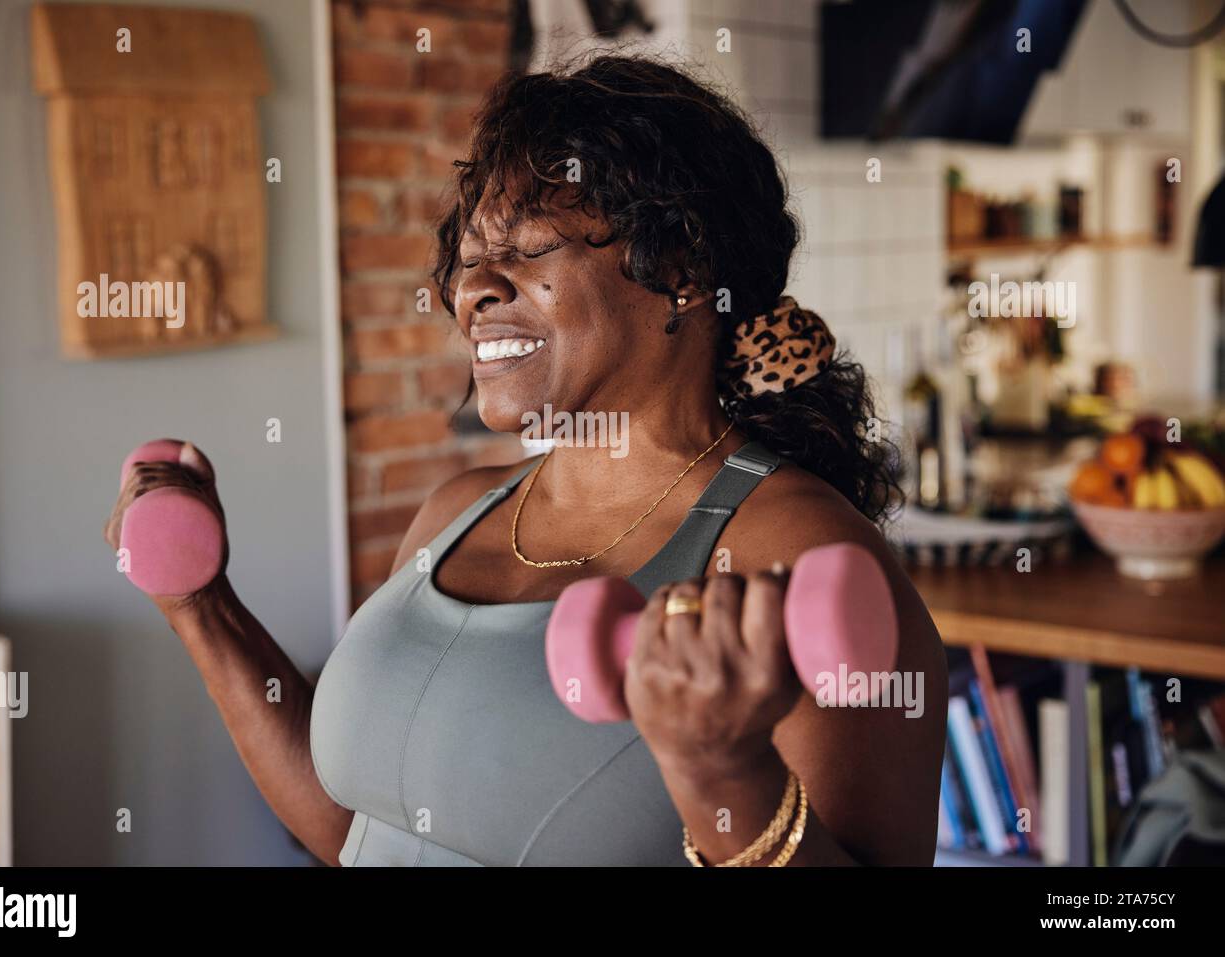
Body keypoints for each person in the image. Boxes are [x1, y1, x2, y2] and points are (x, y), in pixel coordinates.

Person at [105, 53, 947, 867]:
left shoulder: (798, 556)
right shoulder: (456, 511)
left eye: (528, 249)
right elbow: (356, 833)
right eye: (470, 258)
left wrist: (723, 773)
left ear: (683, 268)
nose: (474, 289)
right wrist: (199, 606)